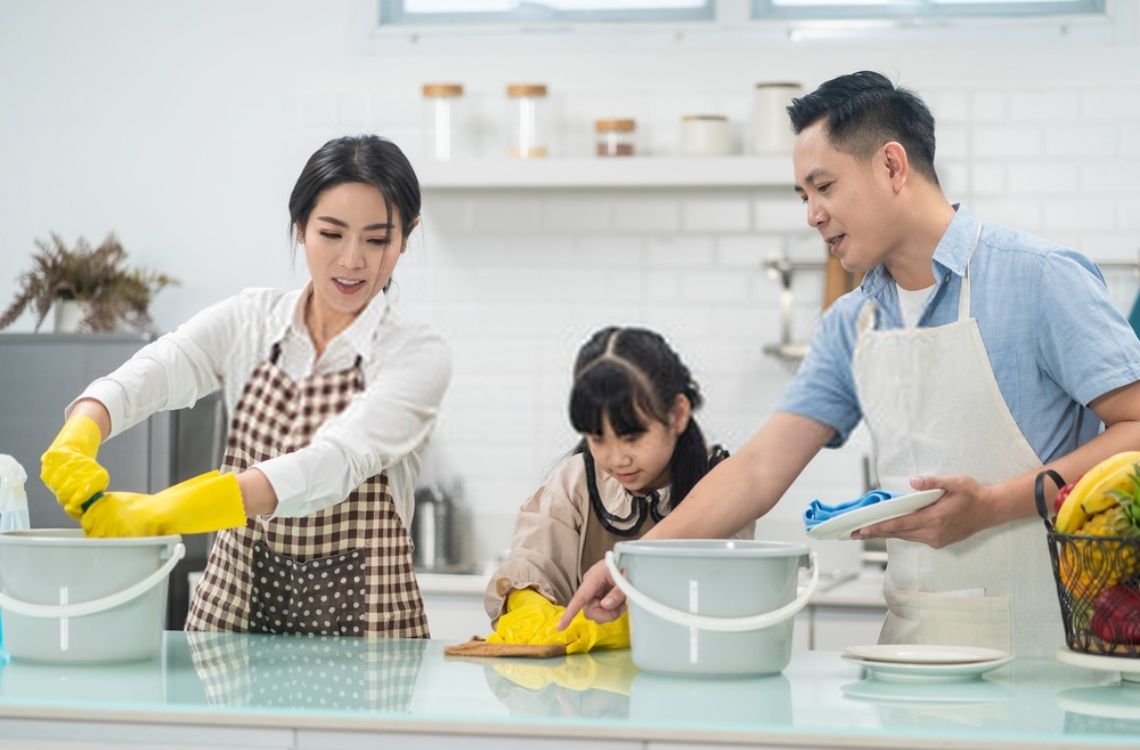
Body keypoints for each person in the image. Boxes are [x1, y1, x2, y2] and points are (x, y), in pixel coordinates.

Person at [561, 71, 1140, 657]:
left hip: (1050, 653)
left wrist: (994, 506)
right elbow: (758, 471)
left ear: (892, 166)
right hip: (914, 655)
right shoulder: (853, 322)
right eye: (803, 196)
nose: (812, 214)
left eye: (824, 187)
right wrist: (631, 559)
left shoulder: (1038, 278)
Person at [39, 134, 451, 638]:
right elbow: (164, 366)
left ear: (407, 236)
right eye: (331, 233)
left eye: (377, 240)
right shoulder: (251, 321)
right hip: (231, 624)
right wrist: (83, 428)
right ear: (300, 228)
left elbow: (333, 463)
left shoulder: (415, 356)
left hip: (366, 638)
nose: (351, 260)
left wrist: (165, 511)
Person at [484, 326, 754, 653]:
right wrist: (528, 605)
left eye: (632, 437)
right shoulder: (575, 482)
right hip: (585, 682)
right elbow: (532, 562)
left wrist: (614, 626)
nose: (616, 459)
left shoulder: (722, 483)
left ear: (678, 414)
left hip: (695, 667)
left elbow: (723, 598)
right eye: (598, 438)